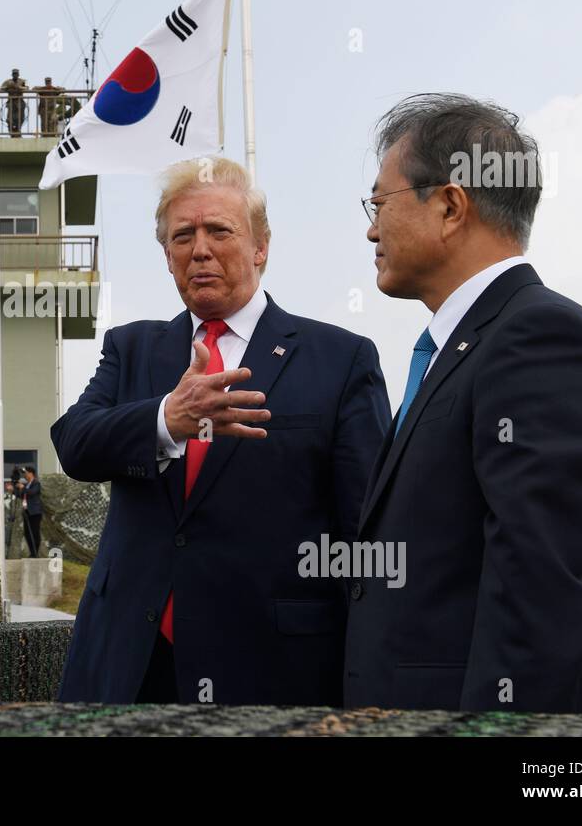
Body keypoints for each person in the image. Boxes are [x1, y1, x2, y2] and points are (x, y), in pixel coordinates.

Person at [343, 93, 582, 716]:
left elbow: (539, 592)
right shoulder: (457, 348)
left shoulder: (539, 338)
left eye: (380, 202)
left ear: (451, 205)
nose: (371, 227)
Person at [52, 156, 390, 705]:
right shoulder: (130, 347)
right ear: (166, 256)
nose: (200, 249)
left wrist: (370, 682)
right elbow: (74, 444)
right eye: (182, 235)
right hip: (129, 662)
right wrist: (167, 419)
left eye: (219, 231)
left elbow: (365, 532)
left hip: (272, 667)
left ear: (261, 247)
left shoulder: (341, 359)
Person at [20, 466, 44, 559]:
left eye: (26, 473)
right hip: (27, 511)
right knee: (27, 533)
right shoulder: (26, 485)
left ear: (31, 473)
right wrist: (14, 490)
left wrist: (23, 488)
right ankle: (32, 552)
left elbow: (32, 493)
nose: (25, 475)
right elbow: (22, 495)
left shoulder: (36, 483)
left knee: (35, 532)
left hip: (35, 512)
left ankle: (35, 552)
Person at [0, 68, 28, 135]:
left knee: (20, 117)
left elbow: (27, 88)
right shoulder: (8, 82)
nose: (15, 75)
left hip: (20, 101)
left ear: (18, 74)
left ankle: (18, 130)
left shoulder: (22, 81)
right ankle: (11, 131)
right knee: (10, 118)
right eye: (14, 74)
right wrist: (8, 87)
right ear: (12, 75)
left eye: (16, 74)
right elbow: (1, 89)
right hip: (11, 102)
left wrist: (19, 87)